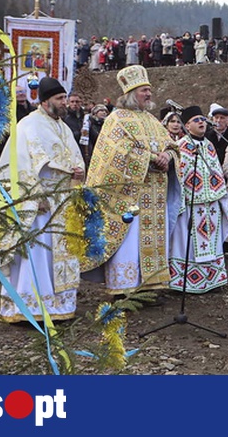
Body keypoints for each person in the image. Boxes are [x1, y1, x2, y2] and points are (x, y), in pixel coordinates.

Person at [82, 65, 181, 294]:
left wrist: (168, 155)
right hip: (129, 196)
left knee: (153, 241)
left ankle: (150, 286)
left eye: (149, 90)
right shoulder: (116, 119)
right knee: (130, 242)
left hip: (155, 195)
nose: (148, 94)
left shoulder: (151, 120)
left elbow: (172, 145)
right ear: (130, 93)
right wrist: (151, 158)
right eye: (143, 90)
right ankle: (125, 288)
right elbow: (116, 153)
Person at [0, 77, 85, 323]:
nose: (64, 103)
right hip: (40, 202)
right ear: (45, 102)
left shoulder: (63, 127)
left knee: (59, 254)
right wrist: (34, 195)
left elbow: (74, 157)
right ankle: (29, 308)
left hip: (63, 200)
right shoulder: (29, 125)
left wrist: (78, 172)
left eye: (65, 98)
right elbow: (21, 164)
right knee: (37, 254)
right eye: (59, 99)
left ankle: (59, 306)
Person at [170, 106, 228, 293]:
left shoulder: (209, 145)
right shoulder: (180, 146)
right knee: (186, 244)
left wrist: (218, 194)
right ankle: (184, 282)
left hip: (211, 204)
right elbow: (180, 175)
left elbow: (216, 171)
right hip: (190, 206)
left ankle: (211, 280)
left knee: (212, 242)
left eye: (203, 119)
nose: (202, 122)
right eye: (196, 120)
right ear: (187, 125)